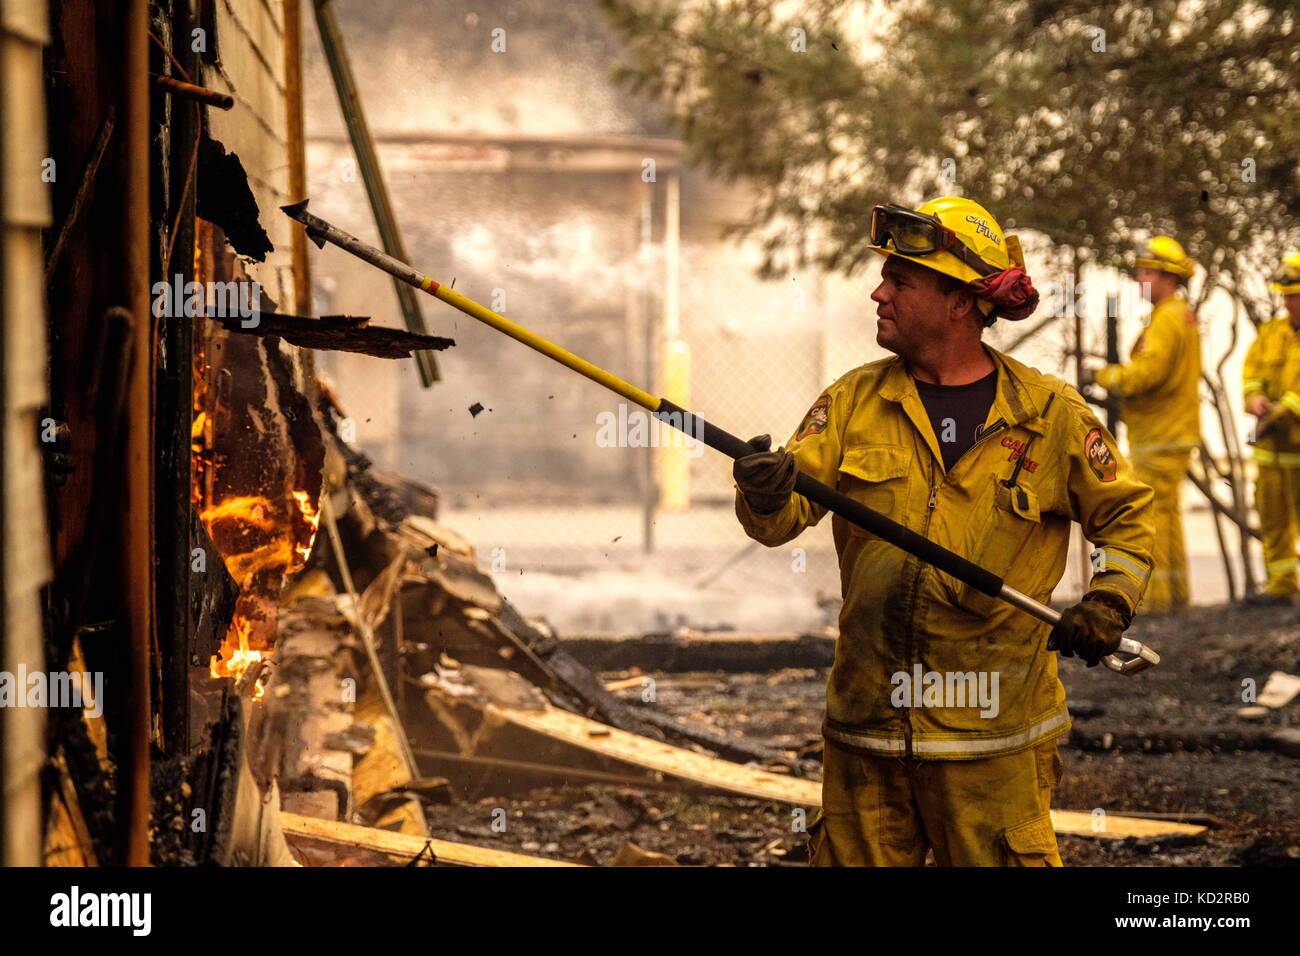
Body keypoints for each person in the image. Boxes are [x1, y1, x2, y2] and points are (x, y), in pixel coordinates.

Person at [732, 197, 1155, 867]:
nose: (879, 292)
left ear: (959, 302)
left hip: (994, 741)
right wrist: (760, 491)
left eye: (901, 279)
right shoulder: (851, 402)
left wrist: (1109, 601)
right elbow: (780, 523)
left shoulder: (1050, 416)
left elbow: (1127, 520)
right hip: (868, 733)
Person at [1092, 237, 1201, 614]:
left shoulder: (1168, 318)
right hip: (1169, 433)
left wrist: (1106, 376)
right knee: (1167, 517)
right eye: (1140, 271)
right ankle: (1173, 600)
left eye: (1149, 272)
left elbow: (1146, 374)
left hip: (1159, 435)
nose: (1141, 279)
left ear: (1171, 278)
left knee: (1151, 519)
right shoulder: (1178, 315)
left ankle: (1156, 603)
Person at [1240, 253, 1300, 604]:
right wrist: (1256, 399)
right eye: (1286, 294)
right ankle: (1282, 586)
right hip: (1271, 451)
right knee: (1272, 517)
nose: (1288, 301)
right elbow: (1251, 373)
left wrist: (1286, 409)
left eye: (1294, 294)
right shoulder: (1271, 332)